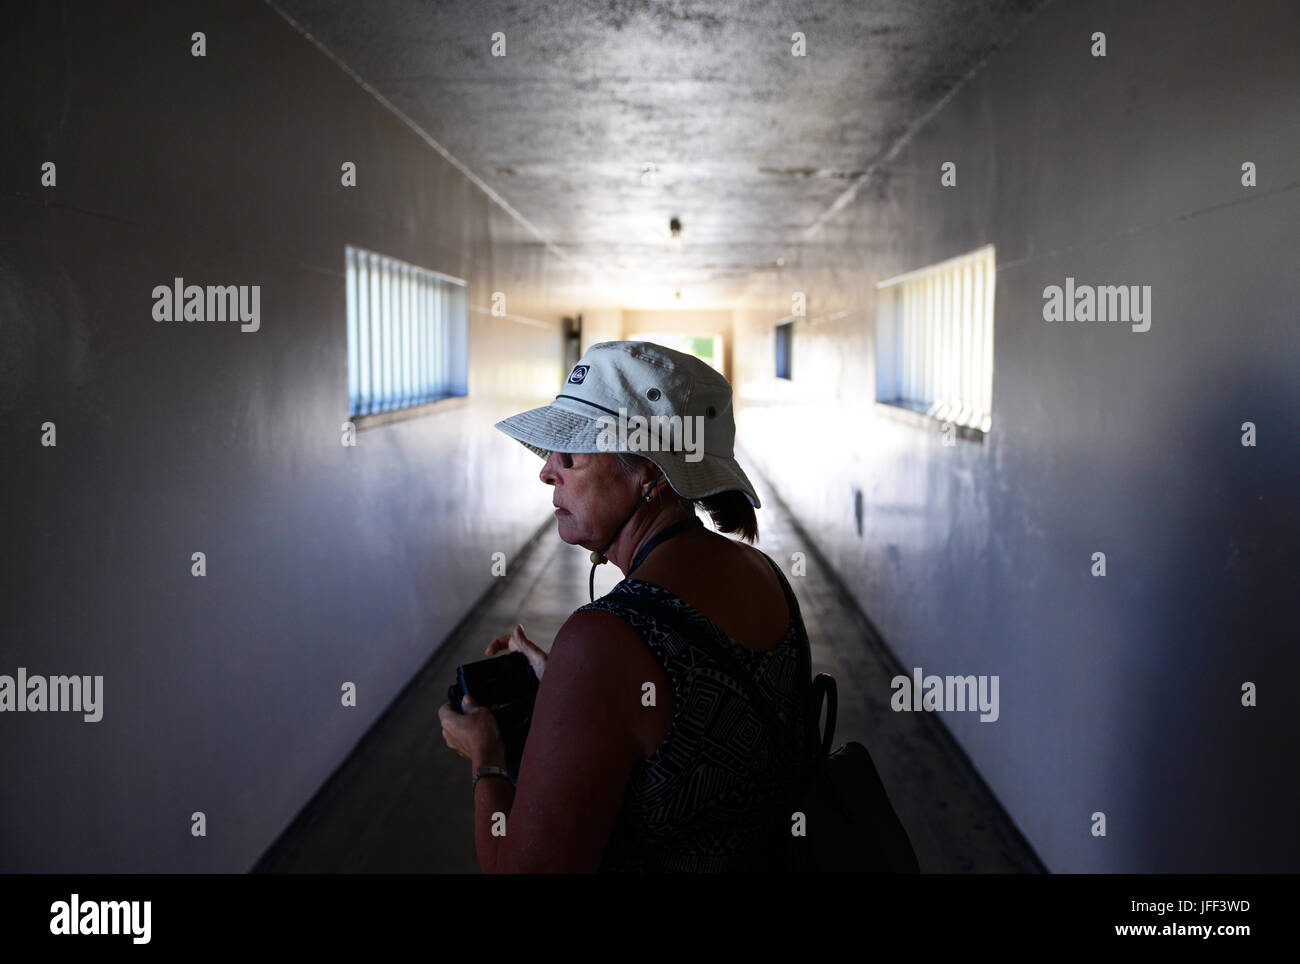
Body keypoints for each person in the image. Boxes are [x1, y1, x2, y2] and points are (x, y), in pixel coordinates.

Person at [439, 340, 812, 872]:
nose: (547, 472)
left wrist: (487, 756)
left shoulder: (606, 640)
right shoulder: (765, 576)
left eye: (571, 454)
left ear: (651, 475)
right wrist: (573, 687)